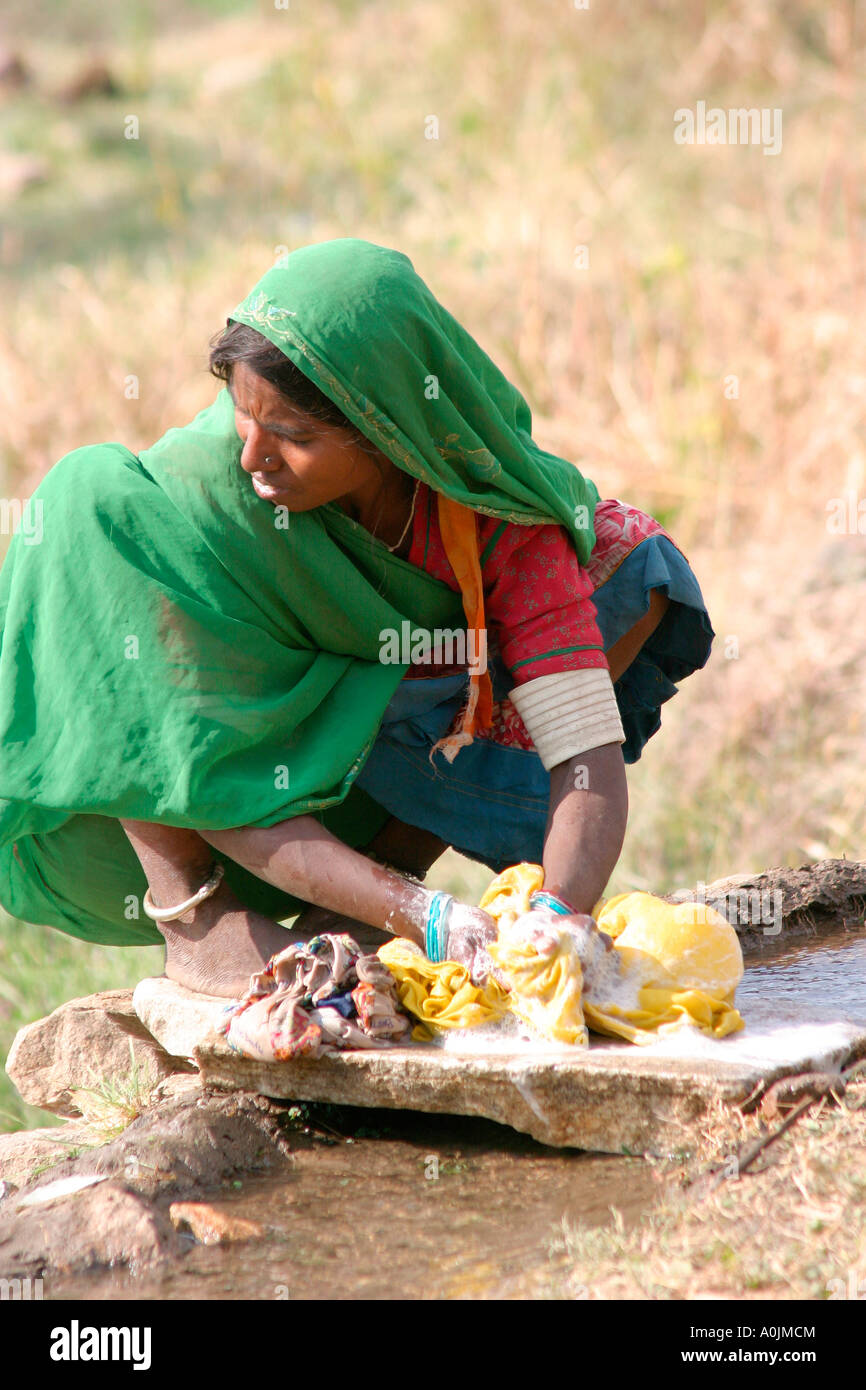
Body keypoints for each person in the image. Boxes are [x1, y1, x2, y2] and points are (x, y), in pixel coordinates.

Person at [0, 239, 713, 997]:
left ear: (391, 432)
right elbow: (207, 759)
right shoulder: (211, 498)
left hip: (373, 760)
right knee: (92, 506)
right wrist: (431, 919)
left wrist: (562, 915)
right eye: (241, 418)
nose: (253, 458)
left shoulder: (492, 523)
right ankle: (200, 926)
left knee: (625, 564)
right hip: (228, 766)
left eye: (295, 439)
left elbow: (584, 751)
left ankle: (373, 894)